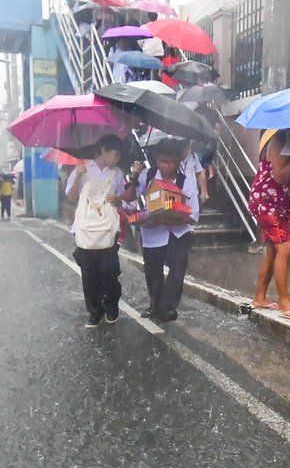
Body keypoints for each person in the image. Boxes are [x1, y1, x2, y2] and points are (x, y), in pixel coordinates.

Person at [133, 139, 200, 322]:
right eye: (163, 161)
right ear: (156, 159)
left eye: (171, 162)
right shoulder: (147, 176)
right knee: (153, 272)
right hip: (152, 234)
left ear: (178, 161)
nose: (167, 166)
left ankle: (167, 307)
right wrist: (133, 176)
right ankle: (155, 305)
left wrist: (170, 216)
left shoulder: (185, 182)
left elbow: (193, 214)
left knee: (178, 267)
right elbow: (131, 197)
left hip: (177, 232)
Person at [248, 128, 290, 320]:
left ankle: (259, 297)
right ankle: (284, 300)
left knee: (273, 250)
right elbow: (279, 176)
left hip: (281, 204)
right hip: (267, 201)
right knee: (285, 247)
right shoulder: (280, 140)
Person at [66, 135, 129, 328]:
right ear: (103, 150)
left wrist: (118, 200)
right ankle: (94, 311)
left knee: (110, 270)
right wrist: (77, 175)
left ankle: (111, 304)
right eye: (115, 154)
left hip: (107, 228)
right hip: (86, 228)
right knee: (89, 273)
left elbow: (123, 198)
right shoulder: (83, 169)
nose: (116, 159)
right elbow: (71, 197)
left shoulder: (117, 173)